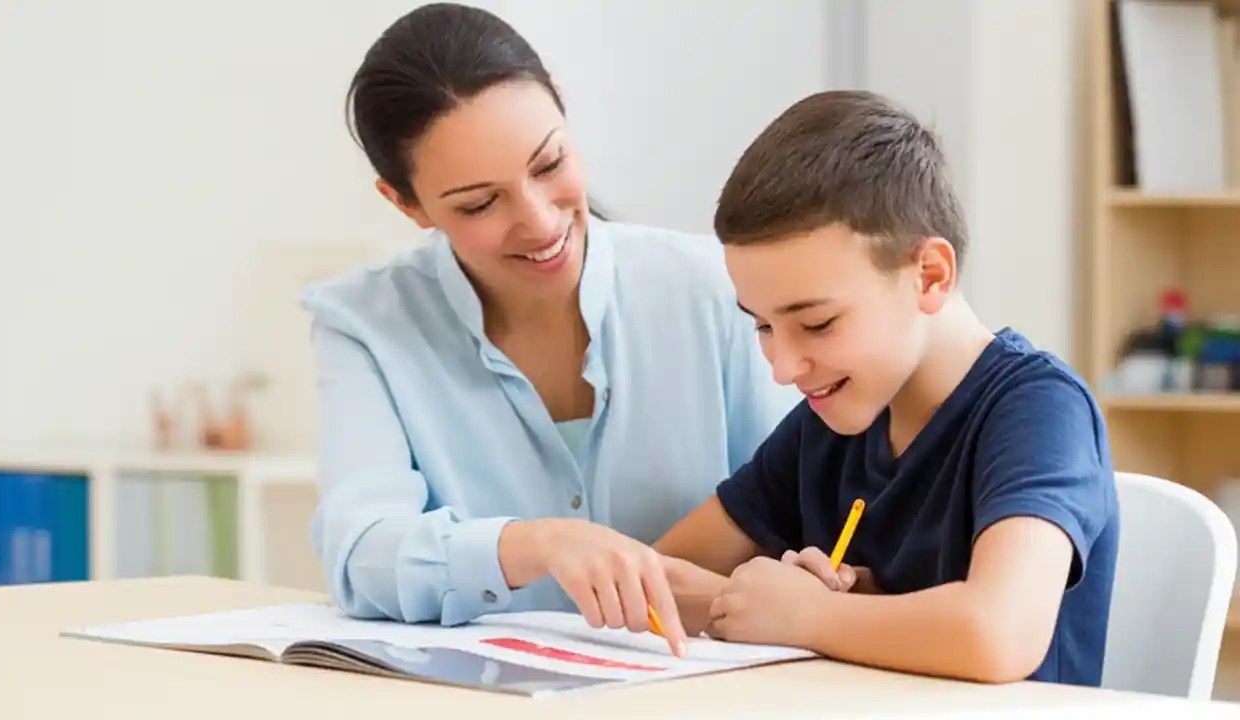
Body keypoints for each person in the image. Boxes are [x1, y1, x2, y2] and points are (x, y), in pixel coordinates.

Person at [301, 2, 792, 654]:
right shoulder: (364, 325)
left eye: (549, 163)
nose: (538, 221)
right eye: (480, 203)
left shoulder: (715, 290)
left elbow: (805, 507)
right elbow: (361, 555)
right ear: (407, 204)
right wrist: (532, 543)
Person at [655, 90, 1119, 686]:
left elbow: (999, 634)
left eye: (817, 323)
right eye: (764, 326)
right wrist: (804, 609)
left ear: (929, 275)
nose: (783, 366)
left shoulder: (1040, 410)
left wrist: (813, 615)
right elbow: (660, 575)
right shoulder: (831, 419)